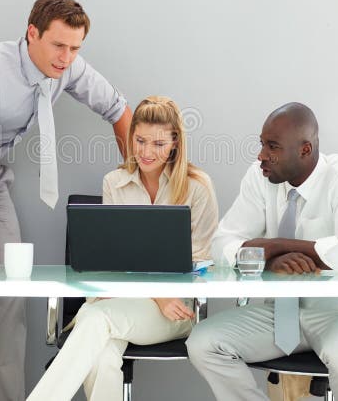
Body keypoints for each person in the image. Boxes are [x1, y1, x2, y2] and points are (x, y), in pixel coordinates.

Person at [0, 0, 132, 401]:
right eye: (59, 45)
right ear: (32, 33)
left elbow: (119, 110)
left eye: (75, 48)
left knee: (10, 289)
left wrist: (136, 182)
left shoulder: (66, 65)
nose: (67, 58)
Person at [185, 102, 338, 401]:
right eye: (262, 144)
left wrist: (277, 245)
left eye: (273, 146)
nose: (261, 155)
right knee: (203, 343)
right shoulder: (259, 176)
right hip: (280, 312)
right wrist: (270, 259)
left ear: (305, 150)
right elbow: (221, 244)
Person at [27, 96, 219, 401]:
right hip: (116, 298)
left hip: (171, 308)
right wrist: (149, 290)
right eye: (140, 141)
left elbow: (197, 263)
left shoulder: (198, 187)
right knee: (102, 358)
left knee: (94, 319)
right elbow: (115, 258)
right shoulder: (114, 182)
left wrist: (158, 295)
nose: (146, 152)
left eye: (158, 144)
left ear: (175, 143)